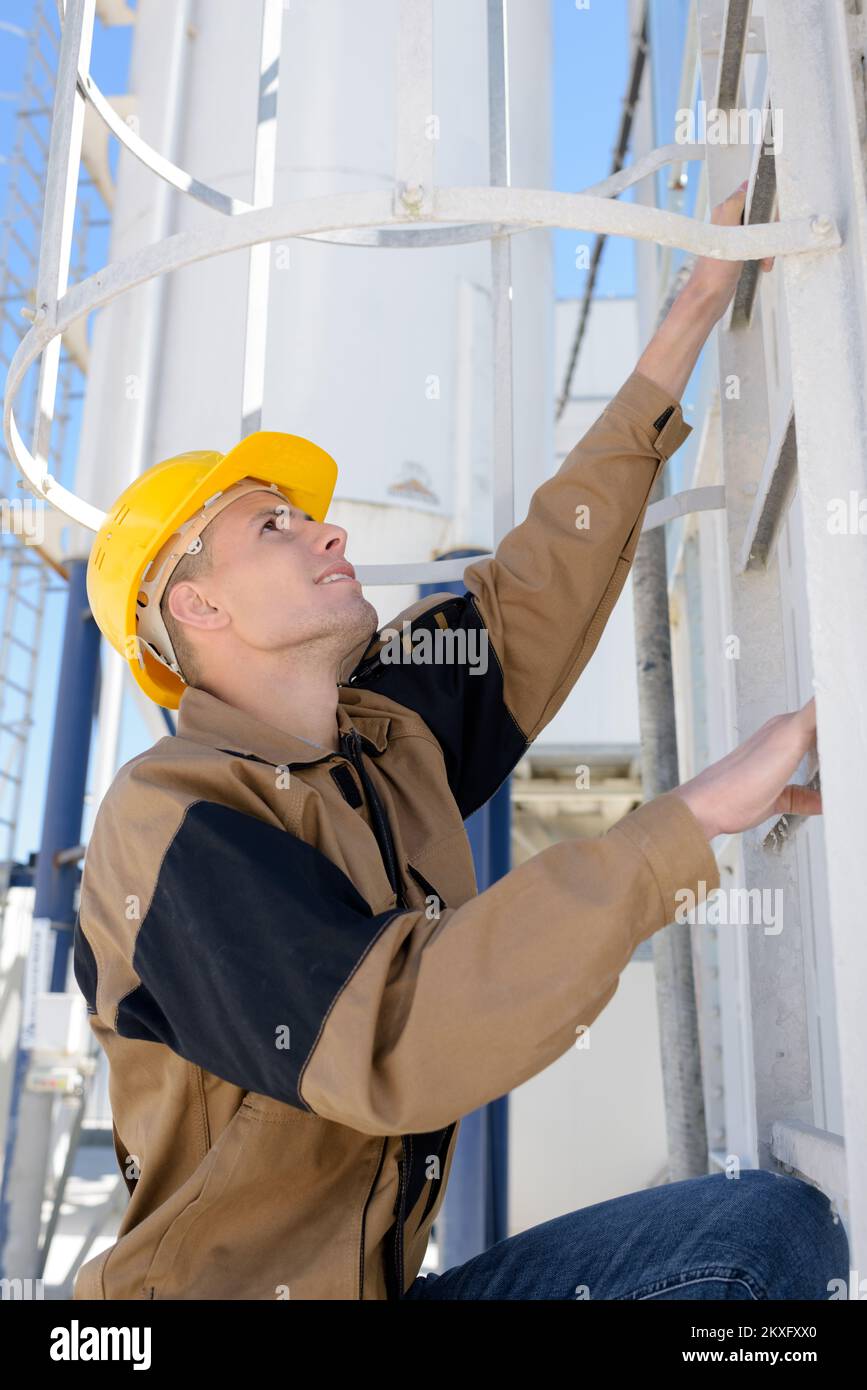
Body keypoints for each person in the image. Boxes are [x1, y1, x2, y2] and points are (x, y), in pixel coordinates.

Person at [72, 183, 847, 1301]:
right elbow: (388, 1036)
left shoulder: (381, 739)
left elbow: (534, 591)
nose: (328, 527)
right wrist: (687, 821)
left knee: (761, 1240)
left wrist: (686, 319)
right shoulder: (167, 820)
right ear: (195, 610)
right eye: (272, 524)